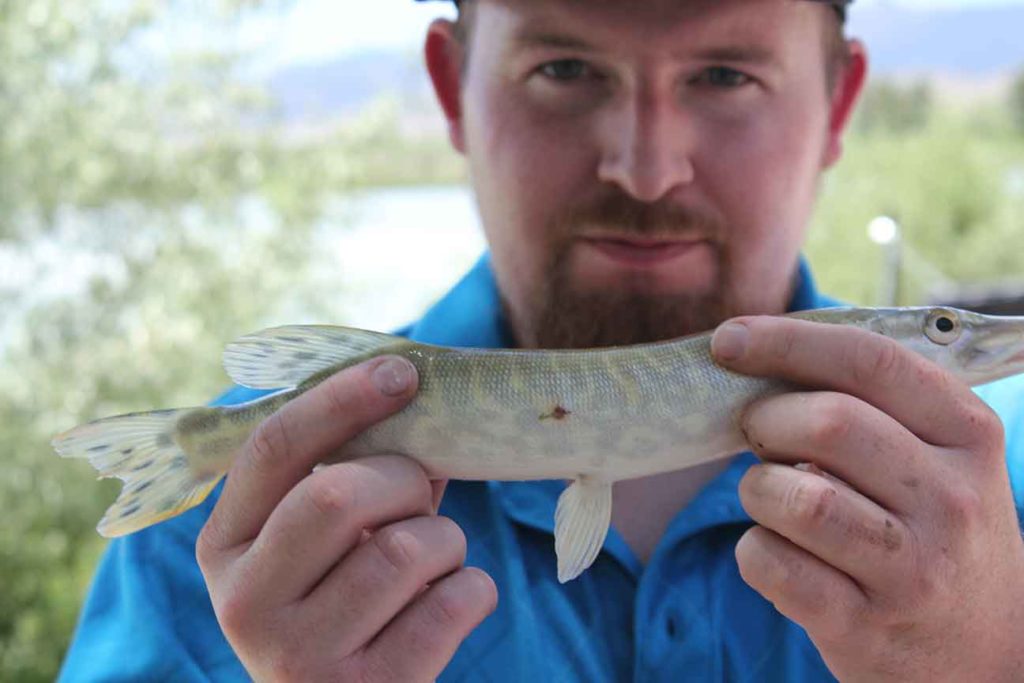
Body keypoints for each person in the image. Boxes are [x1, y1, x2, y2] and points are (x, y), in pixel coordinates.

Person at [61, 0, 1024, 680]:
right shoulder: (228, 521)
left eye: (726, 74)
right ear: (450, 86)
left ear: (839, 106)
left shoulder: (1003, 487)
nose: (646, 168)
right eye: (564, 68)